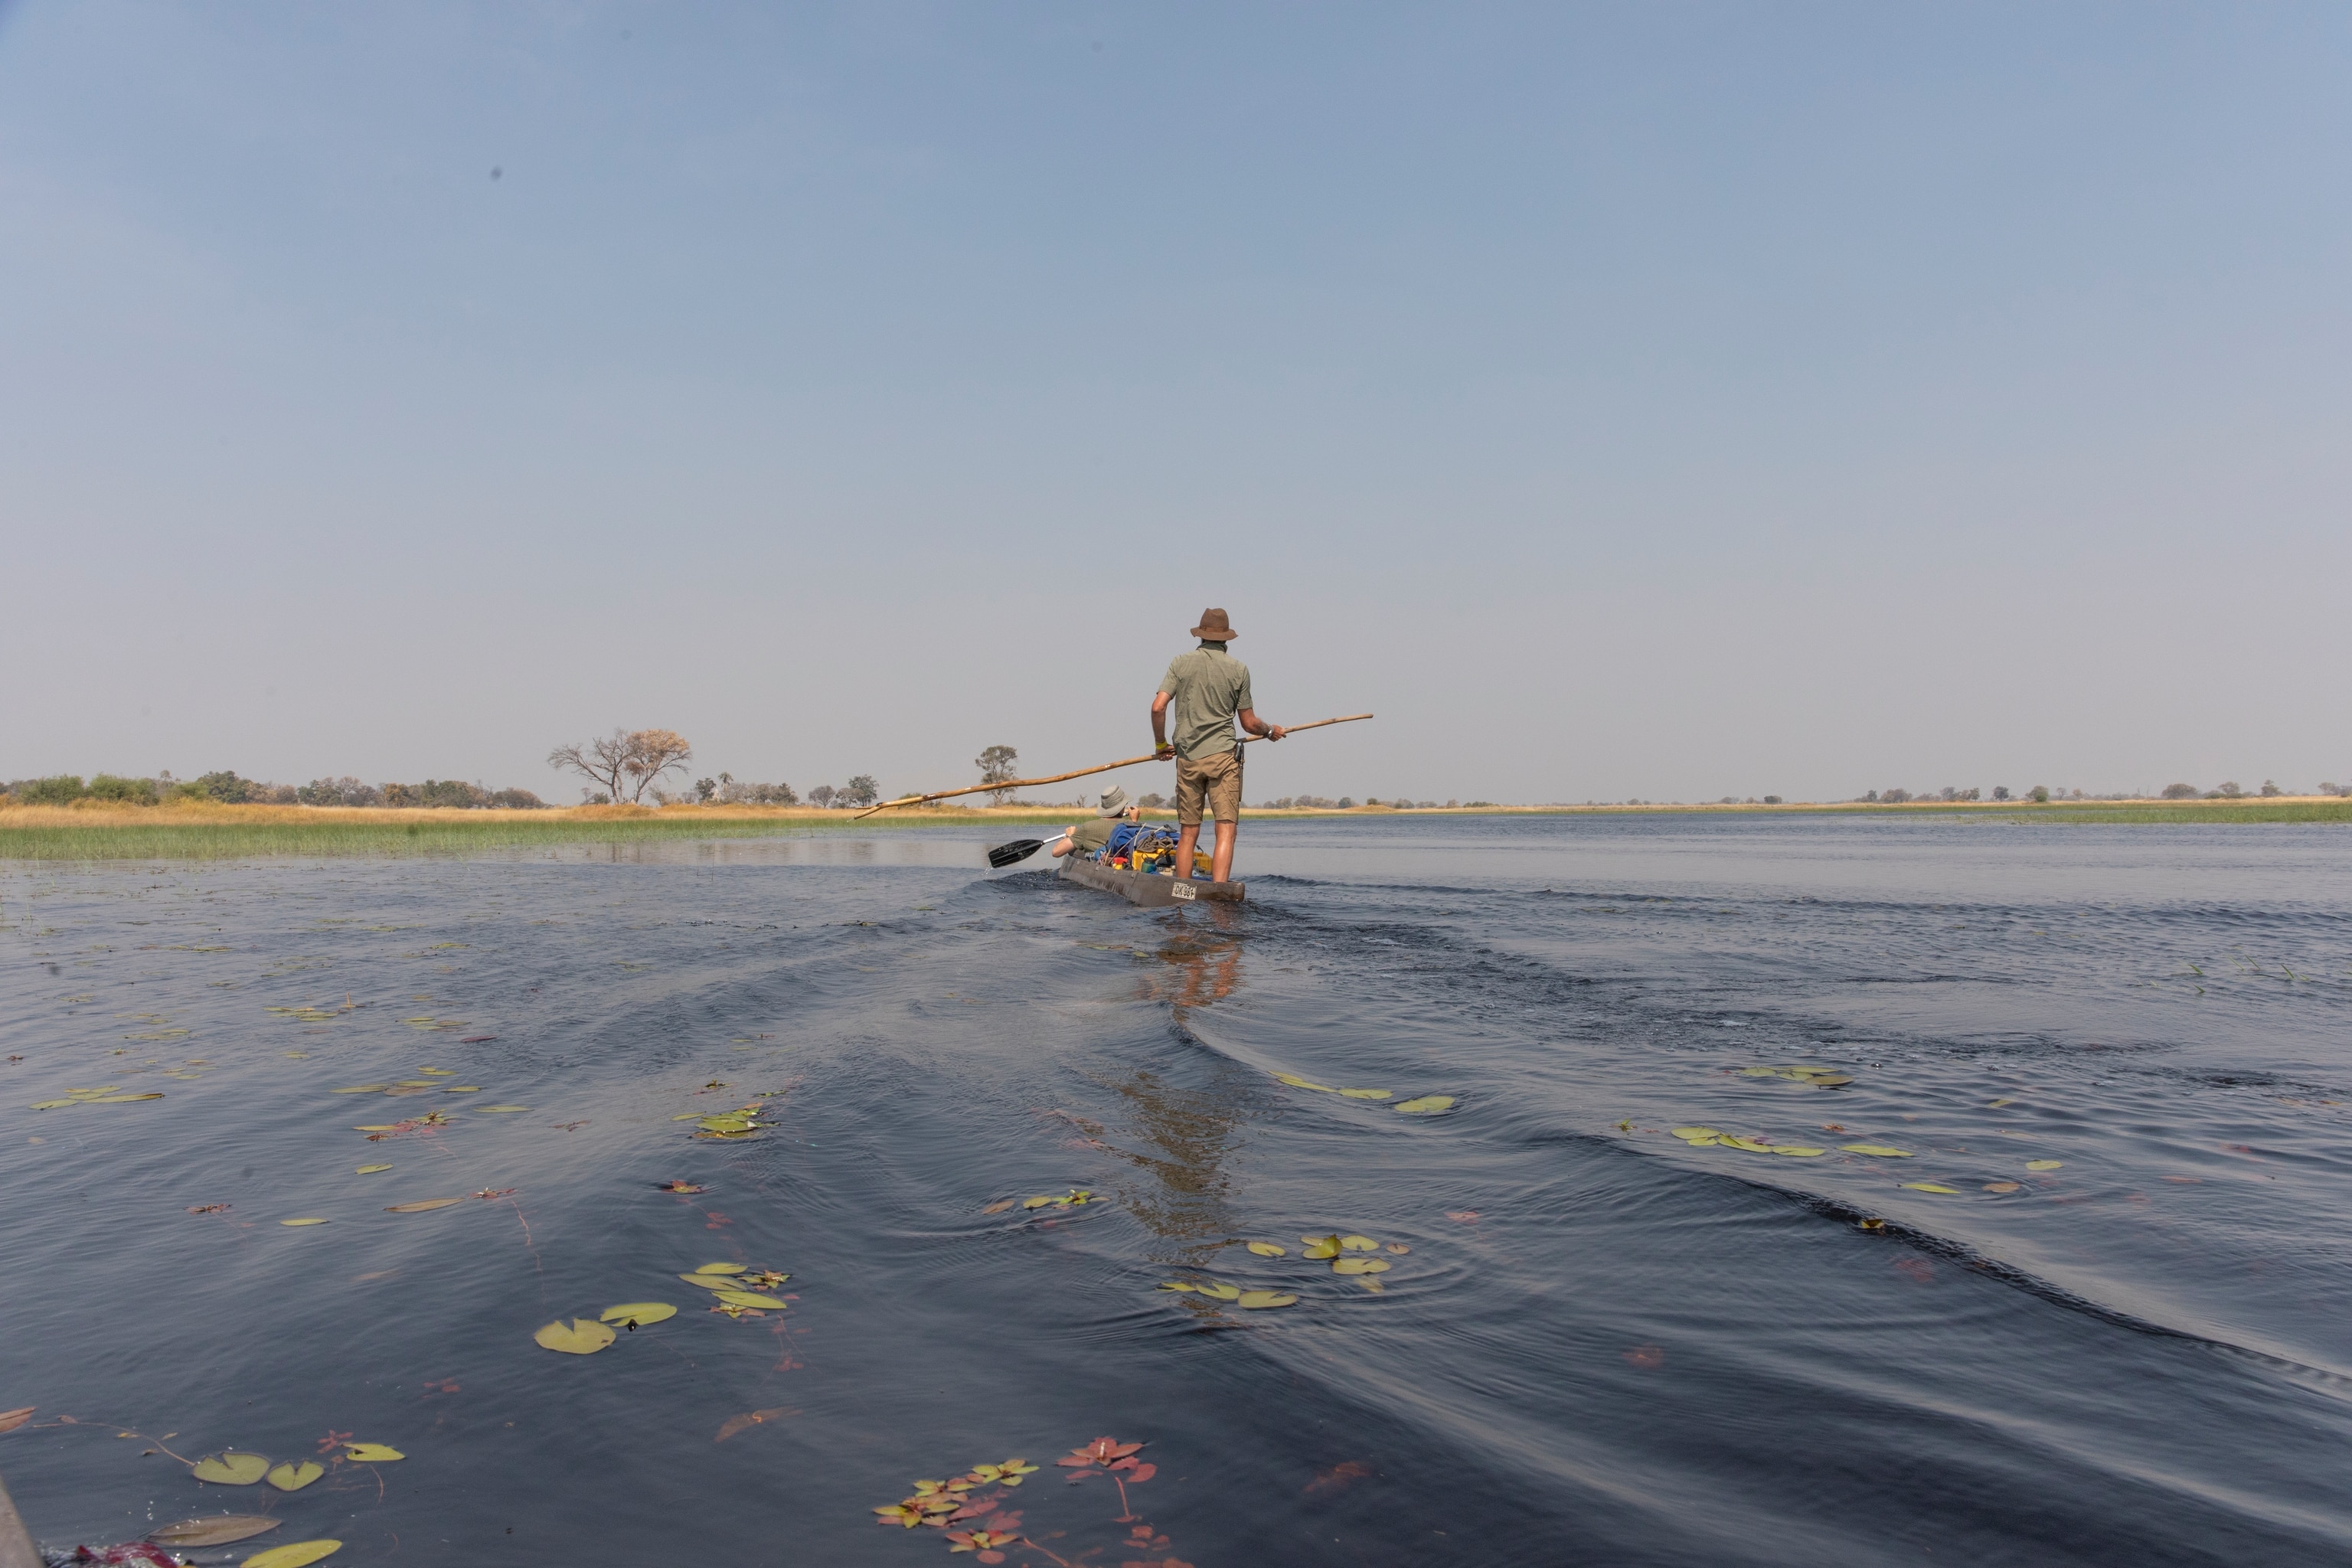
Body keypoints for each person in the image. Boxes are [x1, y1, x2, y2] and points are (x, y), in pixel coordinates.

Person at [1152, 607, 1282, 884]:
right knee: (1226, 831)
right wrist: (1270, 731)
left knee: (1188, 833)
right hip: (1223, 759)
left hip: (1187, 760)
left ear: (1201, 636)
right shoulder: (1238, 670)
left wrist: (1161, 744)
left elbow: (1158, 707)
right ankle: (1219, 896)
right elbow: (1249, 724)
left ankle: (1183, 893)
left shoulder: (1180, 663)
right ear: (1226, 639)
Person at [1052, 784, 1138, 862]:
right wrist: (1134, 821)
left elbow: (1056, 852)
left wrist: (1069, 836)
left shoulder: (1089, 827)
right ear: (1122, 806)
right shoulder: (1130, 826)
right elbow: (1133, 840)